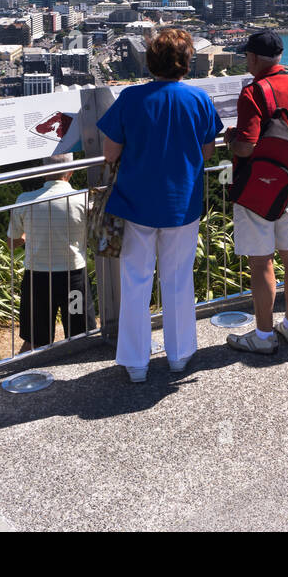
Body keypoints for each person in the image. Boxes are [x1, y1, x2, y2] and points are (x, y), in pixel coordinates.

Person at [97, 29, 221, 381]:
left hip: (135, 204)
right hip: (182, 204)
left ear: (151, 61)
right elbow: (207, 150)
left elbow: (110, 152)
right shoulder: (199, 100)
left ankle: (136, 363)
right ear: (186, 62)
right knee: (178, 279)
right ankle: (179, 356)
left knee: (136, 280)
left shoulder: (130, 99)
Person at [225, 29, 288, 354]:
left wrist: (229, 140)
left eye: (246, 57)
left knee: (261, 261)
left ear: (253, 58)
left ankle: (264, 335)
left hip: (258, 191)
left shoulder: (252, 93)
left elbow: (247, 147)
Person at [7, 153, 95, 354]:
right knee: (80, 337)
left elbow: (12, 243)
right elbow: (95, 236)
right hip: (73, 277)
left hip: (37, 278)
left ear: (43, 171)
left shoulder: (24, 200)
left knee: (35, 341)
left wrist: (25, 237)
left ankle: (27, 376)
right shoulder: (84, 198)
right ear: (71, 172)